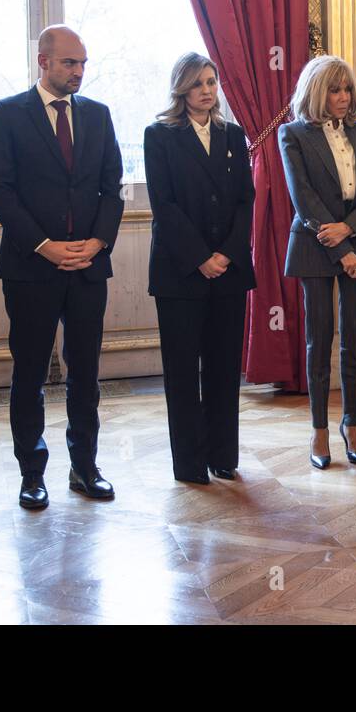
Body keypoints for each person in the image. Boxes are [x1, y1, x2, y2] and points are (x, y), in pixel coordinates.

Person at [0, 25, 123, 509]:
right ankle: (31, 473)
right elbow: (0, 191)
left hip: (88, 267)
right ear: (43, 62)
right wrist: (44, 245)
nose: (79, 71)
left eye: (83, 62)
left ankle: (85, 467)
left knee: (86, 373)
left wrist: (99, 242)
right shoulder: (6, 114)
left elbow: (113, 187)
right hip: (31, 267)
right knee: (30, 374)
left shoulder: (99, 116)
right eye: (69, 63)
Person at [144, 53, 255, 483]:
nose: (207, 91)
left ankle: (223, 455)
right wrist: (200, 258)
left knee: (225, 367)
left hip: (229, 271)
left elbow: (245, 201)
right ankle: (190, 464)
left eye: (211, 82)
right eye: (197, 84)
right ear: (181, 90)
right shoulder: (160, 136)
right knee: (183, 371)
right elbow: (164, 206)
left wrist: (226, 254)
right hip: (180, 273)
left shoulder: (233, 135)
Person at [278, 56, 356, 469]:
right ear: (317, 93)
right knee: (318, 342)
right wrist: (339, 246)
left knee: (355, 340)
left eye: (347, 89)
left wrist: (349, 232)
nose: (343, 97)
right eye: (335, 90)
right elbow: (303, 199)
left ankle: (352, 425)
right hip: (314, 248)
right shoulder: (293, 134)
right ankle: (319, 429)